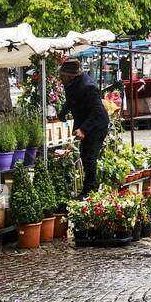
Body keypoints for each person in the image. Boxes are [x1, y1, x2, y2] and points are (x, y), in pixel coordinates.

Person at [58, 59, 111, 198]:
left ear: (70, 76)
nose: (60, 78)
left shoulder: (88, 86)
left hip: (97, 125)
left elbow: (97, 111)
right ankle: (88, 190)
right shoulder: (71, 83)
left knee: (89, 157)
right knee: (84, 155)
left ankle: (89, 192)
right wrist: (62, 112)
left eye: (62, 76)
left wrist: (83, 129)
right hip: (86, 122)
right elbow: (70, 100)